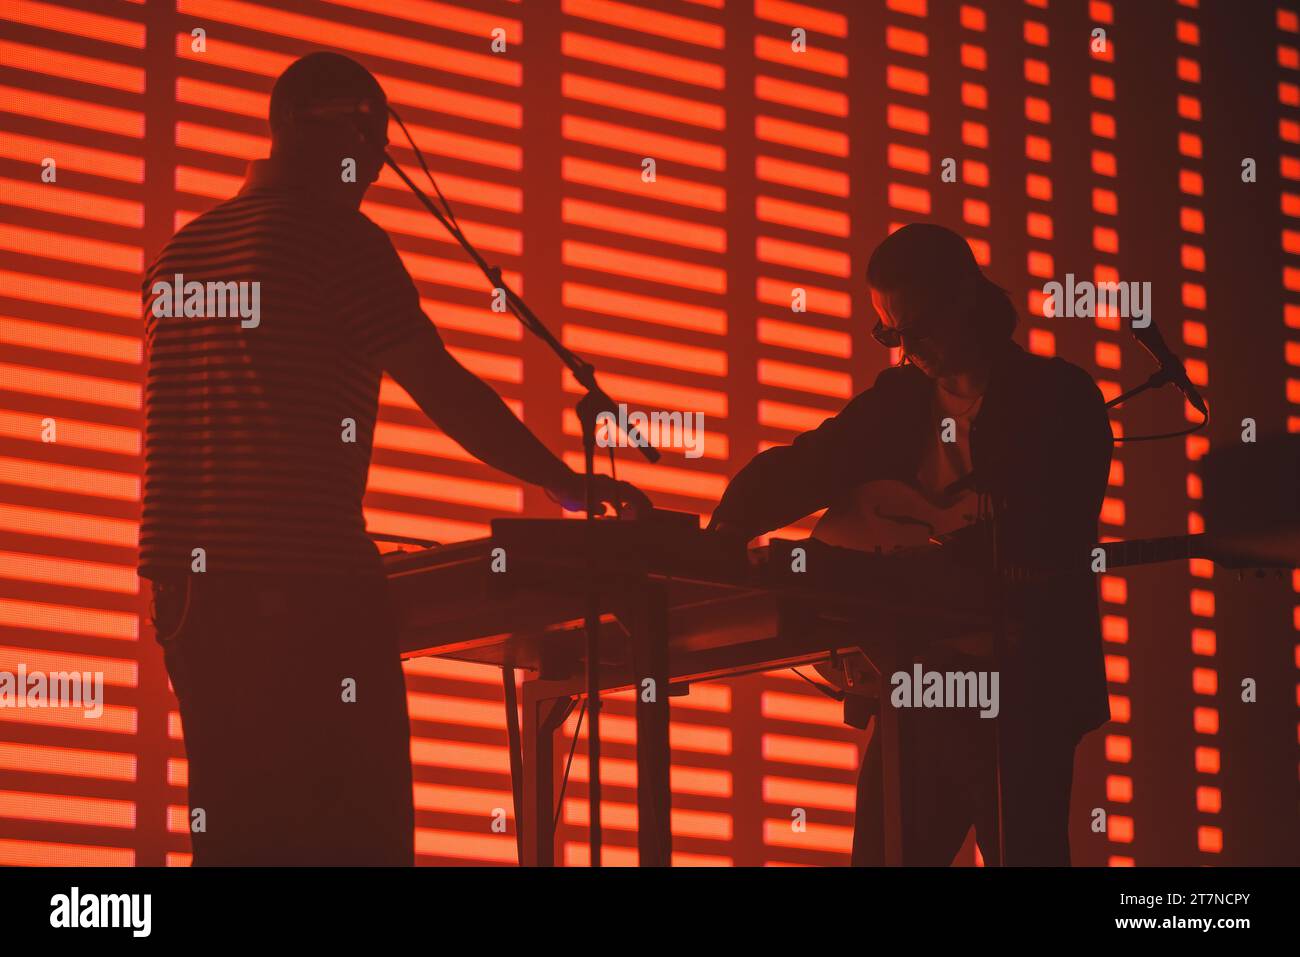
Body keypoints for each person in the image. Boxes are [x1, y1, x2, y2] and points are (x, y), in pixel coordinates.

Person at [140, 52, 648, 865]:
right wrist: (563, 482)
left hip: (191, 597)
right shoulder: (338, 240)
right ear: (350, 132)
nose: (378, 169)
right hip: (302, 586)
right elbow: (444, 387)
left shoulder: (181, 253)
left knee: (239, 834)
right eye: (375, 145)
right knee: (360, 837)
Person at [710, 223, 1113, 865]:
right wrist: (725, 533)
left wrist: (927, 569)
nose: (904, 349)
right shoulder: (899, 399)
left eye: (914, 329)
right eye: (887, 333)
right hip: (915, 685)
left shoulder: (1058, 397)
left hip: (1020, 688)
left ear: (964, 299)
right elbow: (810, 463)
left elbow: (1054, 533)